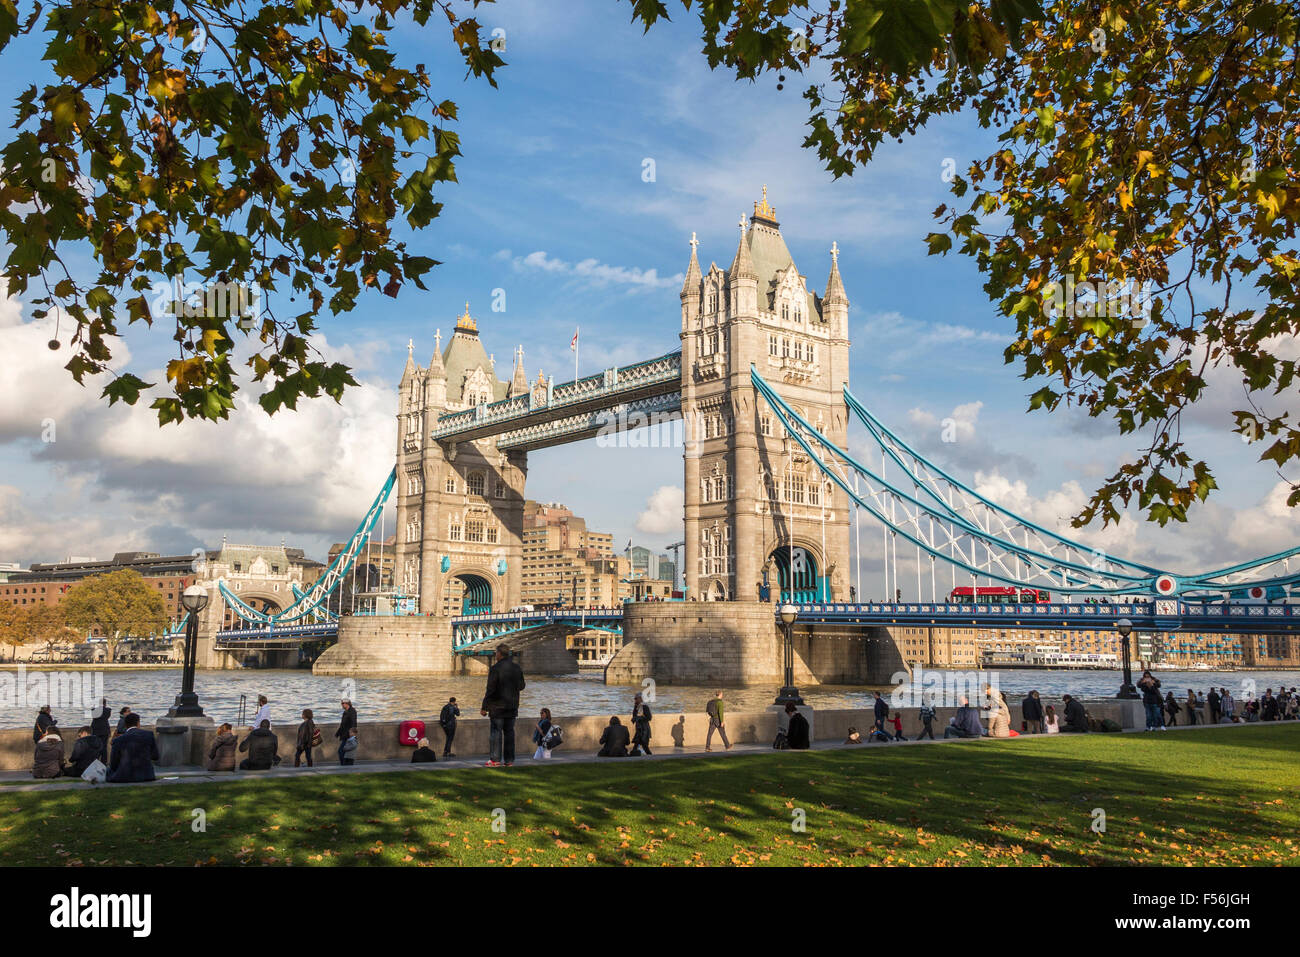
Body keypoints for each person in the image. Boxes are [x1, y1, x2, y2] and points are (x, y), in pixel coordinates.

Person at [481, 644, 526, 767]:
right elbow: (522, 686)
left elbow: (490, 689)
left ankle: (495, 760)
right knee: (509, 734)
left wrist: (484, 707)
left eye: (496, 653)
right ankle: (509, 760)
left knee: (496, 733)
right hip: (512, 706)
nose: (495, 656)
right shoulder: (517, 668)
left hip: (497, 707)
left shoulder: (495, 668)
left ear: (499, 654)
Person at [107, 712, 160, 782]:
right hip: (146, 775)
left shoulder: (118, 740)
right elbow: (155, 756)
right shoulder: (149, 735)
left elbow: (113, 764)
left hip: (125, 777)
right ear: (138, 723)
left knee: (107, 771)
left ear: (125, 725)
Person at [335, 698, 357, 766]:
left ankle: (344, 766)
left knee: (341, 751)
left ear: (347, 703)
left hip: (348, 735)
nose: (341, 705)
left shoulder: (352, 711)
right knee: (343, 752)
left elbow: (354, 723)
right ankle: (345, 765)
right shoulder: (345, 711)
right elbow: (342, 724)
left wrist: (352, 734)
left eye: (342, 703)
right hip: (344, 735)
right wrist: (338, 733)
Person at [90, 699, 111, 763]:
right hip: (105, 730)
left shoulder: (95, 710)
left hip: (96, 730)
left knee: (96, 747)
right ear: (105, 703)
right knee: (104, 747)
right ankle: (104, 762)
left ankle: (95, 762)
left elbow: (94, 716)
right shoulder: (108, 710)